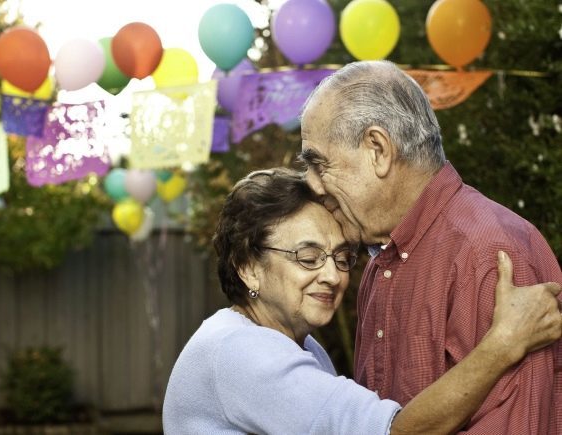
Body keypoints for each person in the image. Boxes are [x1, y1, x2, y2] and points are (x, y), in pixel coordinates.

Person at [162, 168, 562, 435]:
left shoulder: (297, 346)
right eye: (308, 257)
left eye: (341, 257)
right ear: (248, 267)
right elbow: (396, 431)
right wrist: (502, 344)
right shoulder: (242, 351)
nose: (334, 276)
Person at [299, 60, 562, 433]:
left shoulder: (489, 254)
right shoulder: (382, 259)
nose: (311, 184)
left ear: (378, 150)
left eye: (319, 164)